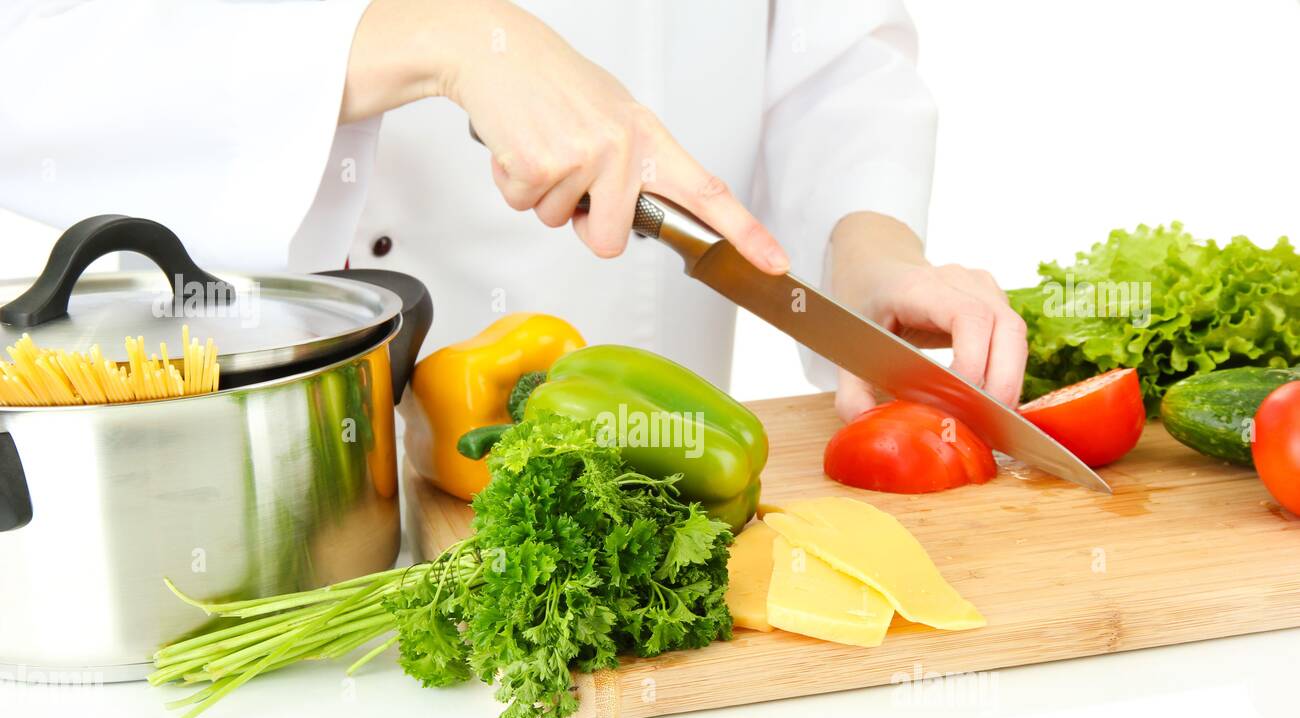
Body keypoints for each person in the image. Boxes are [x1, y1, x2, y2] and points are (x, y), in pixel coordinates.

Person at [0, 0, 1027, 420]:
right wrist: (435, 37)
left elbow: (830, 53)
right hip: (240, 481)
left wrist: (868, 245)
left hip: (643, 524)